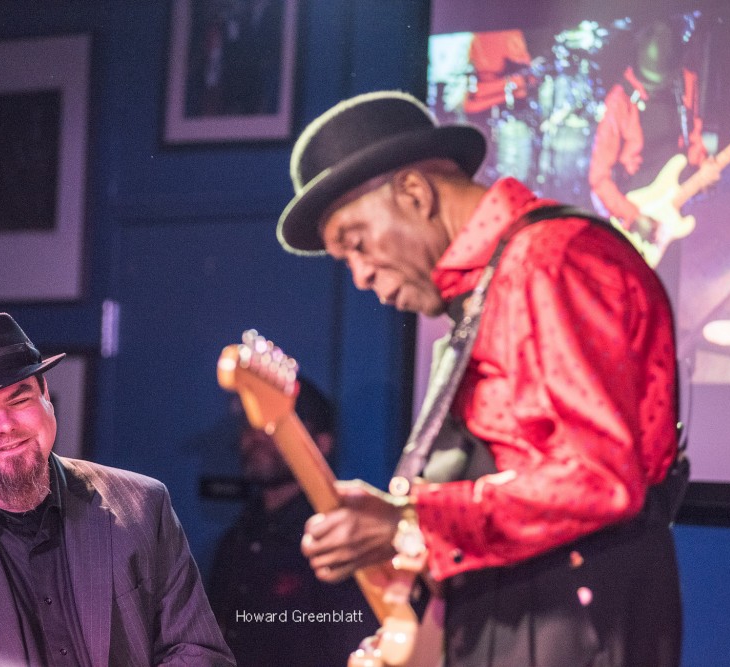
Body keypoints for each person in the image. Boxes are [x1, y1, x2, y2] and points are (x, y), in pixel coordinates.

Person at [276, 90, 684, 665]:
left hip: (570, 620)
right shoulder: (496, 283)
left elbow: (597, 478)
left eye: (357, 244)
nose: (362, 276)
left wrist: (409, 521)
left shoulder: (550, 259)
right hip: (525, 612)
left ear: (414, 193)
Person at [0, 313, 234, 667]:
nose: (5, 425)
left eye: (20, 399)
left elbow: (199, 654)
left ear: (46, 395)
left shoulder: (143, 505)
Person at [207, 378, 373, 667]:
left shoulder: (343, 541)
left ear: (321, 443)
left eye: (276, 424)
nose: (258, 433)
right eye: (250, 422)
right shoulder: (235, 541)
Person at [588, 18, 718, 258]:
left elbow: (693, 136)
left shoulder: (686, 82)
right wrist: (634, 217)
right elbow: (599, 178)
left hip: (672, 207)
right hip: (636, 211)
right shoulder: (619, 101)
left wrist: (705, 167)